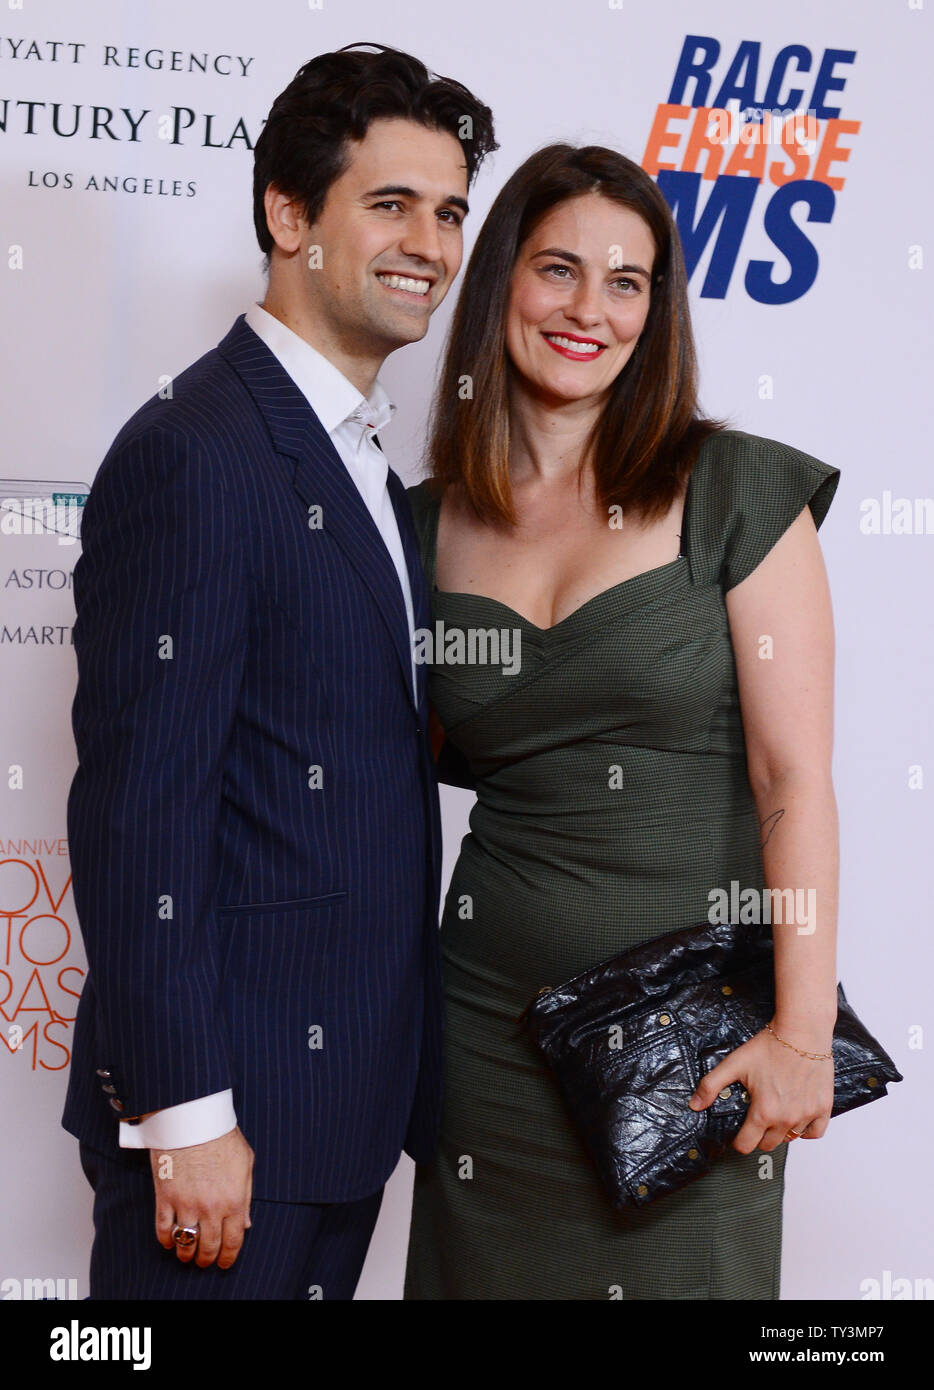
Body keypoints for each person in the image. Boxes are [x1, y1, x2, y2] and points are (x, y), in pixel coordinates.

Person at [62, 42, 496, 1300]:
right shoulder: (197, 452)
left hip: (335, 1116)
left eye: (451, 209)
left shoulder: (352, 453)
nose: (430, 240)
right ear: (288, 214)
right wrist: (186, 1114)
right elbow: (140, 810)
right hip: (227, 1127)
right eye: (391, 203)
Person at [404, 143, 841, 1300]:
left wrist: (801, 1031)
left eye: (626, 280)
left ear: (657, 309)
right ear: (499, 280)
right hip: (483, 1038)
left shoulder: (737, 490)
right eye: (557, 269)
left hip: (690, 1048)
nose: (587, 309)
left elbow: (791, 776)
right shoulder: (413, 525)